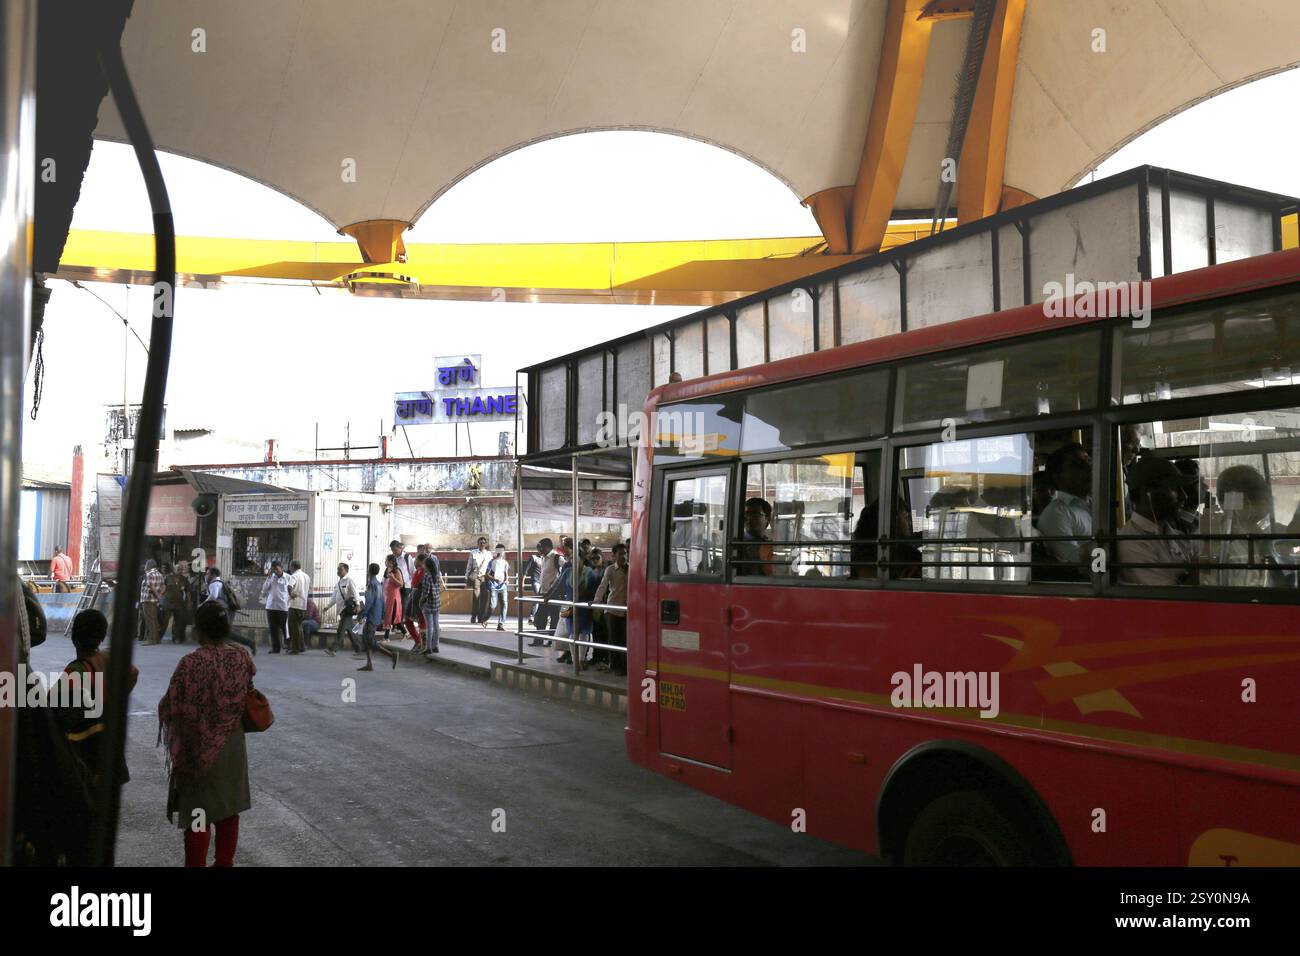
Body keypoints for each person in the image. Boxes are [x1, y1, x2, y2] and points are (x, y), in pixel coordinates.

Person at [157, 602, 255, 867]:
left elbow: (170, 706)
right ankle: (224, 862)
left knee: (199, 814)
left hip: (197, 748)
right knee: (228, 810)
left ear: (198, 630)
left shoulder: (190, 664)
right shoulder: (242, 657)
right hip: (231, 746)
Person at [60, 609, 138, 785]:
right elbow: (133, 672)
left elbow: (54, 709)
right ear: (102, 637)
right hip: (109, 753)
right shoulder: (107, 659)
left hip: (86, 757)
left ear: (73, 637)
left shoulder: (74, 671)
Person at [1118, 456, 1197, 586]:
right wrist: (1200, 571)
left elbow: (1201, 557)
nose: (1184, 496)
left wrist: (1205, 559)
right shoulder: (1132, 543)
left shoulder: (1175, 535)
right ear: (1147, 493)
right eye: (1174, 489)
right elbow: (1169, 599)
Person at [1203, 464, 1275, 588]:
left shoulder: (1256, 532)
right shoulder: (1222, 542)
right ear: (1245, 500)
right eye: (1263, 496)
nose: (1270, 502)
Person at [1036, 443, 1092, 568]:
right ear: (1057, 476)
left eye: (1089, 461)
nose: (1088, 468)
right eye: (1078, 465)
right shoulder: (1056, 513)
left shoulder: (1096, 505)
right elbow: (1074, 563)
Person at [592, 542, 629, 676]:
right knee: (613, 639)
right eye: (621, 554)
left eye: (625, 553)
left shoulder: (631, 569)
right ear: (614, 556)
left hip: (627, 610)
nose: (624, 556)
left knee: (625, 639)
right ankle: (614, 666)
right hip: (612, 609)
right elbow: (603, 586)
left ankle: (625, 666)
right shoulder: (610, 570)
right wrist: (596, 602)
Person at [202, 567, 256, 654]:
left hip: (224, 611)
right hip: (228, 610)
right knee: (224, 632)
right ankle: (233, 649)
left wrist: (203, 604)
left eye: (208, 574)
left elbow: (213, 596)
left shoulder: (214, 584)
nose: (206, 575)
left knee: (225, 632)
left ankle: (243, 647)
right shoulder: (220, 582)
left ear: (213, 575)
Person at [359, 563, 398, 670]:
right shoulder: (379, 584)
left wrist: (362, 613)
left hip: (371, 615)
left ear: (369, 571)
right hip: (377, 615)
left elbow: (370, 601)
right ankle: (369, 663)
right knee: (368, 639)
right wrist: (383, 615)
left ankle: (391, 655)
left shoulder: (371, 584)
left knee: (368, 640)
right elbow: (382, 601)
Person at [319, 563, 361, 658]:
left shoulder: (349, 580)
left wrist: (358, 604)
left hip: (347, 610)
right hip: (341, 610)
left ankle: (333, 649)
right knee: (351, 631)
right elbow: (334, 597)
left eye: (340, 569)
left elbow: (355, 593)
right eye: (338, 569)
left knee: (341, 630)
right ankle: (359, 648)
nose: (338, 571)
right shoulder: (338, 583)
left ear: (346, 570)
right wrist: (327, 607)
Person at [530, 537, 564, 645]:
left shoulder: (557, 557)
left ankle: (551, 641)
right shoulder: (543, 558)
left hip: (553, 593)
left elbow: (566, 569)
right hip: (543, 593)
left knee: (554, 618)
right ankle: (538, 640)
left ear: (548, 547)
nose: (539, 550)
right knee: (540, 618)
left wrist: (556, 585)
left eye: (541, 547)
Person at [259, 560, 291, 654]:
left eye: (277, 569)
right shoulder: (271, 577)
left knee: (285, 628)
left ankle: (288, 645)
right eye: (273, 570)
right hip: (271, 607)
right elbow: (264, 590)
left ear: (282, 568)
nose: (275, 571)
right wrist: (268, 578)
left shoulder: (288, 578)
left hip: (283, 607)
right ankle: (275, 648)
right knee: (273, 629)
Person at [740, 497, 775, 576]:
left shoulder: (770, 545)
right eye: (746, 514)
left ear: (767, 519)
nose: (749, 518)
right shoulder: (738, 544)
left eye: (755, 514)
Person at [419, 554, 443, 657]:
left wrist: (420, 602)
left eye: (424, 564)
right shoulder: (437, 576)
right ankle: (436, 645)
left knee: (429, 626)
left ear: (427, 566)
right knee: (436, 625)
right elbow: (439, 589)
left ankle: (428, 647)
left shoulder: (426, 576)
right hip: (437, 603)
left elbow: (425, 592)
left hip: (428, 604)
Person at [465, 536, 492, 624]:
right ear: (478, 544)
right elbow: (469, 566)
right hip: (476, 577)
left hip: (485, 577)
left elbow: (491, 567)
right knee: (476, 597)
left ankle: (481, 617)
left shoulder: (489, 554)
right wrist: (466, 577)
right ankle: (474, 616)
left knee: (484, 598)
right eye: (480, 542)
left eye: (484, 542)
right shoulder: (473, 553)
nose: (482, 544)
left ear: (486, 544)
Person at [286, 559, 311, 654]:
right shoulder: (306, 576)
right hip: (303, 605)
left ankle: (295, 648)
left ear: (292, 567)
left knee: (293, 627)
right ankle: (302, 646)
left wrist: (291, 594)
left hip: (294, 604)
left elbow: (289, 586)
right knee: (299, 626)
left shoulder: (294, 576)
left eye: (290, 566)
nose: (289, 568)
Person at [484, 544, 510, 630]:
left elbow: (506, 574)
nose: (500, 553)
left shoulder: (505, 563)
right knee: (492, 606)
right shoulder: (492, 562)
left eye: (502, 551)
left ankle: (500, 624)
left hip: (503, 587)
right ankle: (484, 619)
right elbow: (486, 574)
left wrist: (506, 580)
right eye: (499, 551)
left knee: (504, 605)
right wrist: (494, 579)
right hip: (494, 587)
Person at [163, 563, 192, 643]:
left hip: (179, 603)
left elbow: (188, 591)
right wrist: (160, 599)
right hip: (168, 602)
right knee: (165, 620)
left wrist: (189, 602)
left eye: (181, 569)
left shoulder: (184, 579)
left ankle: (176, 638)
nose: (180, 571)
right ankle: (159, 636)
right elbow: (162, 589)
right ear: (174, 569)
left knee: (178, 621)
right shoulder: (167, 577)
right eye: (178, 569)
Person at [138, 559, 164, 645]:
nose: (145, 566)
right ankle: (156, 639)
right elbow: (164, 586)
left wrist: (157, 595)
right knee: (154, 619)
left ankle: (152, 639)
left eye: (146, 564)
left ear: (149, 565)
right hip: (154, 601)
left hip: (147, 600)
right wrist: (159, 595)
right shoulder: (160, 574)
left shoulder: (149, 574)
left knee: (150, 620)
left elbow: (151, 586)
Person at [381, 554, 404, 639]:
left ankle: (386, 637)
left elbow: (401, 584)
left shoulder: (396, 571)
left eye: (386, 560)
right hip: (387, 596)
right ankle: (405, 632)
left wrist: (393, 578)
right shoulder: (386, 570)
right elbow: (383, 581)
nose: (385, 562)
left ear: (391, 562)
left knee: (391, 615)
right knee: (390, 616)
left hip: (394, 596)